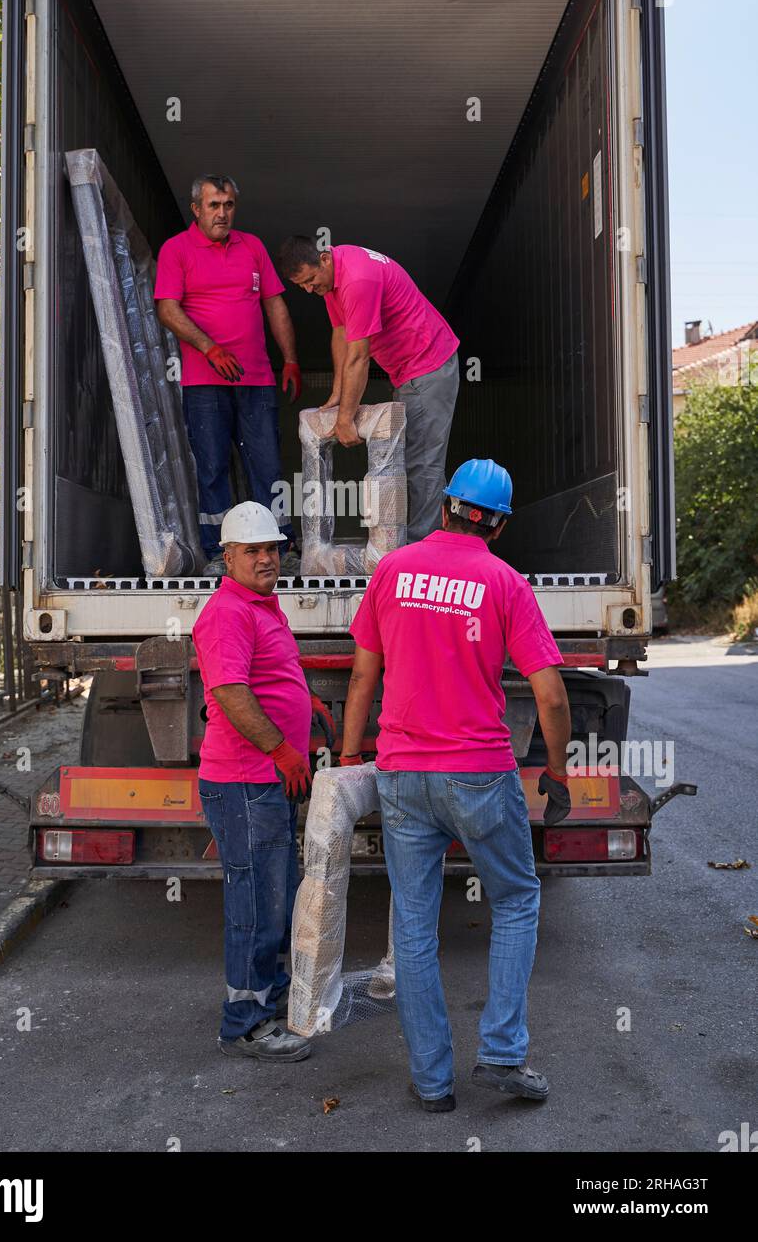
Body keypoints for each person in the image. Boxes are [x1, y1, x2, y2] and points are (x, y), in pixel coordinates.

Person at [339, 459, 573, 1110]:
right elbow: (550, 696)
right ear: (495, 523)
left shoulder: (391, 572)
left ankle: (433, 1083)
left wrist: (353, 753)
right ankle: (500, 1052)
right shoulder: (504, 582)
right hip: (478, 774)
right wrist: (557, 771)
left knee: (413, 928)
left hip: (402, 775)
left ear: (444, 507)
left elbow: (363, 677)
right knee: (518, 901)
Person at [192, 501, 336, 1060]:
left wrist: (308, 703)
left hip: (262, 782)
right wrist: (282, 748)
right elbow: (230, 693)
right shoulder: (228, 612)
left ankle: (270, 998)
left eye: (272, 548)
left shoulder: (260, 605)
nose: (266, 559)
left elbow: (268, 674)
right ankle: (244, 1024)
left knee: (275, 894)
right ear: (228, 557)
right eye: (252, 550)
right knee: (255, 900)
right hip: (245, 782)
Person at [155, 176, 303, 576]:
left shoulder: (252, 247)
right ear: (197, 209)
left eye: (229, 205)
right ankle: (220, 554)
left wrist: (289, 359)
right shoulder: (176, 250)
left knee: (267, 466)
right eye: (214, 205)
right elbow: (167, 309)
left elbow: (275, 305)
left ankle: (279, 549)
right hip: (204, 383)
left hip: (256, 380)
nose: (222, 213)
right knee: (213, 466)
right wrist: (209, 348)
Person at [277, 236, 460, 541]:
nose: (309, 289)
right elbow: (340, 332)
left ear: (323, 259)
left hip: (429, 365)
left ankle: (421, 550)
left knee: (423, 464)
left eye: (310, 280)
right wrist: (337, 391)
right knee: (408, 462)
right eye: (302, 286)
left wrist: (345, 418)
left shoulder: (357, 279)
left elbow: (360, 357)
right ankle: (410, 546)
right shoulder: (333, 276)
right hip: (408, 373)